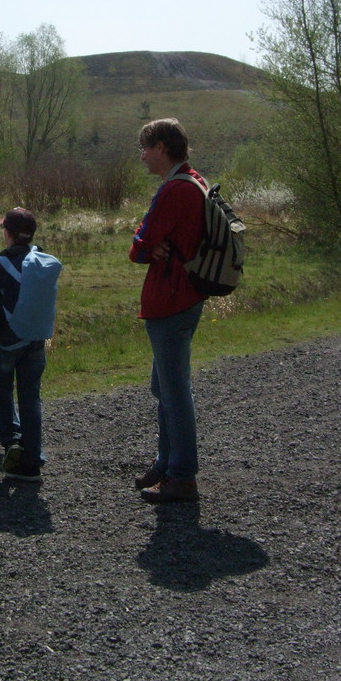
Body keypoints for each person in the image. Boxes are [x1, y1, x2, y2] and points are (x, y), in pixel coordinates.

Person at [129, 118, 208, 504]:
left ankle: (181, 475)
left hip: (171, 299)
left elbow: (140, 245)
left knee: (174, 391)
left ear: (162, 147)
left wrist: (143, 244)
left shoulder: (176, 190)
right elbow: (147, 240)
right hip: (185, 296)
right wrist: (146, 243)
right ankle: (166, 464)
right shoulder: (195, 182)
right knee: (165, 387)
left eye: (145, 148)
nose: (142, 156)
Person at [0, 208, 48, 482]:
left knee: (2, 391)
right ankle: (33, 458)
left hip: (5, 340)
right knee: (31, 397)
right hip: (36, 338)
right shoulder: (41, 258)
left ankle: (12, 444)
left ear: (7, 233)